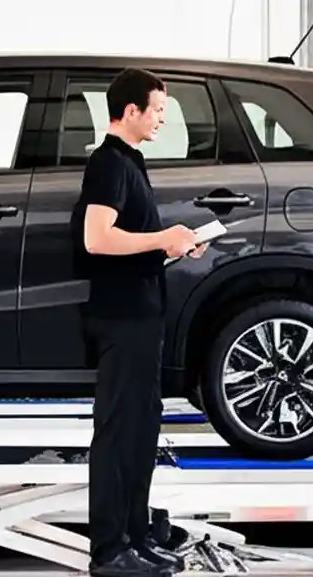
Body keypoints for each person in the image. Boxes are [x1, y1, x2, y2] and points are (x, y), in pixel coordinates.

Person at [70, 67, 206, 576]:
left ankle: (136, 536)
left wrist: (174, 246)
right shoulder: (107, 163)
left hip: (144, 312)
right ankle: (109, 550)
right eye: (158, 112)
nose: (161, 121)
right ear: (131, 111)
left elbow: (131, 242)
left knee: (142, 429)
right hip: (122, 317)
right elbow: (97, 238)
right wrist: (162, 237)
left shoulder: (131, 161)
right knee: (117, 431)